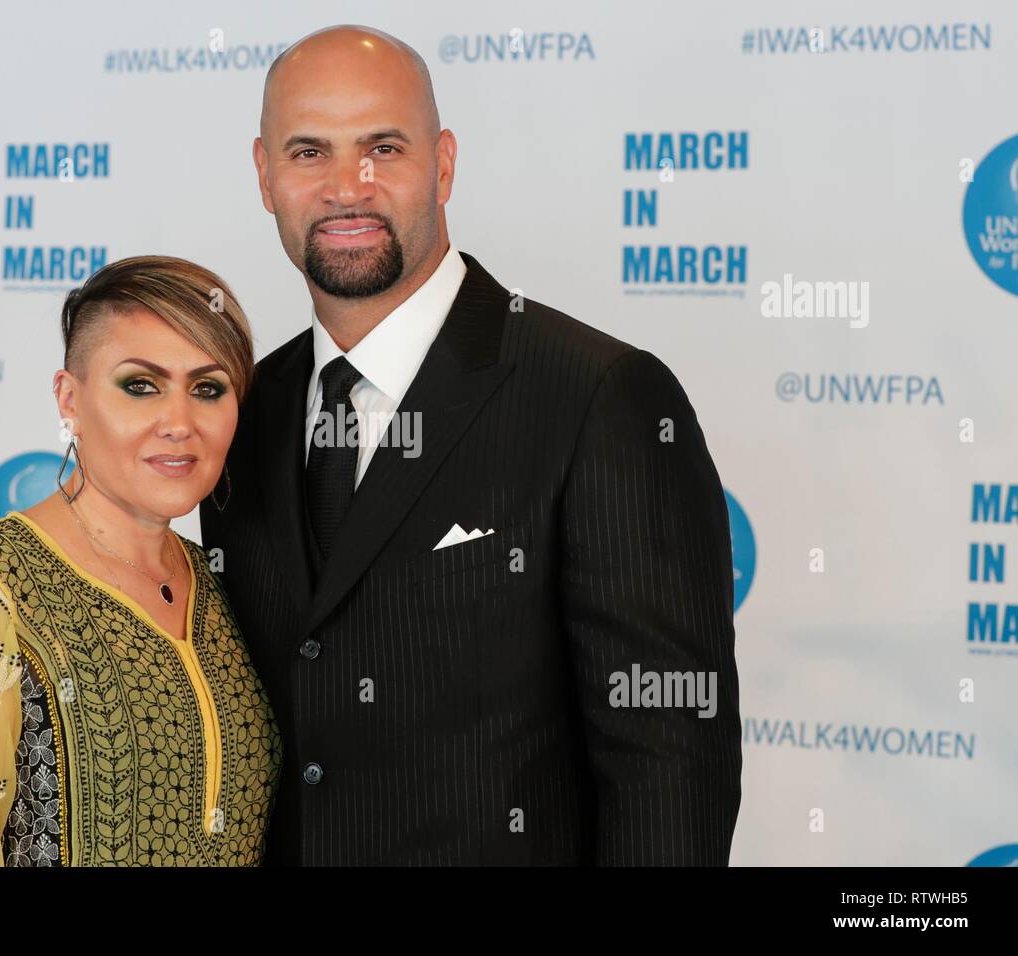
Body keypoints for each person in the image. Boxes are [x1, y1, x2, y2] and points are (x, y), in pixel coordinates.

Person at [199, 25, 743, 865]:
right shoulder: (241, 415)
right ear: (266, 174)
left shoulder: (600, 398)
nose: (350, 186)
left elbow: (670, 764)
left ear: (444, 163)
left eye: (384, 145)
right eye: (310, 152)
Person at [0, 256, 282, 865]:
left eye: (207, 388)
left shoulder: (231, 584)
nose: (178, 423)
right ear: (70, 399)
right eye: (140, 385)